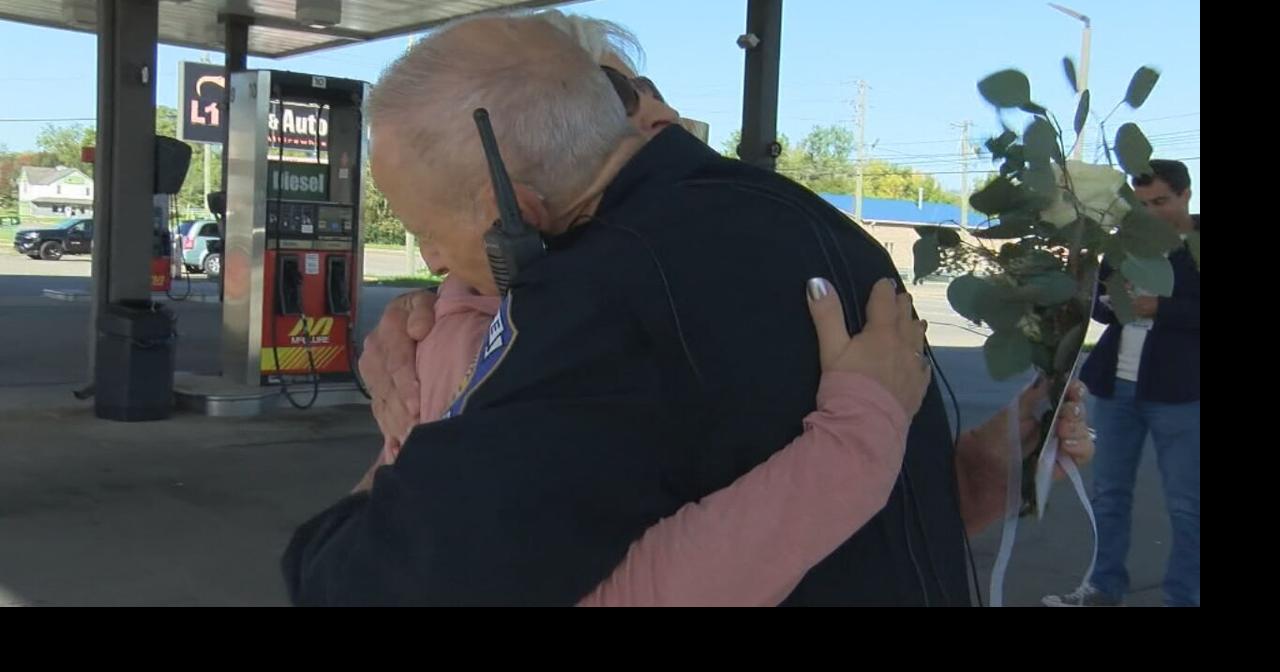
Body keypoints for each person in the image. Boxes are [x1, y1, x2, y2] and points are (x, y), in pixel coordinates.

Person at [285, 11, 1092, 606]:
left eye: (427, 233)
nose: (429, 264)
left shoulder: (597, 297)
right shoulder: (821, 230)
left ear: (518, 212)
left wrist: (338, 528)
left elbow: (401, 582)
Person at [1043, 159, 1200, 608]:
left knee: (1187, 505)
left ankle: (1184, 597)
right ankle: (1102, 588)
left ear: (1186, 194)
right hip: (1117, 388)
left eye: (1161, 202)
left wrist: (1159, 309)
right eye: (1142, 203)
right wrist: (1103, 294)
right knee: (1109, 495)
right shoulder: (1125, 244)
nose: (1151, 212)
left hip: (1181, 393)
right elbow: (1100, 308)